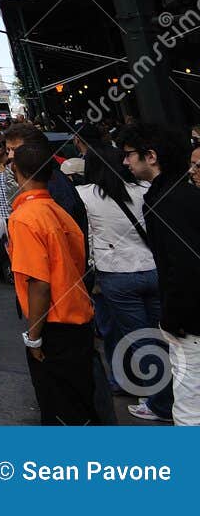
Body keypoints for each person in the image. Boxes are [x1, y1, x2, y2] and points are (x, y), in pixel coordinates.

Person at [68, 133, 170, 422]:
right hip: (152, 268)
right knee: (158, 333)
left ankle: (160, 400)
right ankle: (159, 389)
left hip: (116, 275)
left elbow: (85, 237)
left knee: (135, 336)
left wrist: (90, 275)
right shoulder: (144, 188)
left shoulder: (85, 195)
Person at [8, 137, 98, 425]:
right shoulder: (58, 210)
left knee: (58, 409)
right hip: (79, 317)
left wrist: (34, 336)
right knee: (80, 402)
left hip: (55, 326)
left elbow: (39, 283)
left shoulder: (25, 217)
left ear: (16, 172)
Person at [122, 126, 200, 426]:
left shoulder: (168, 201)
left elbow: (183, 265)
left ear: (151, 156)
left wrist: (175, 318)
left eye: (129, 155)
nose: (126, 163)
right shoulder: (176, 194)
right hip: (188, 320)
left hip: (190, 325)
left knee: (189, 411)